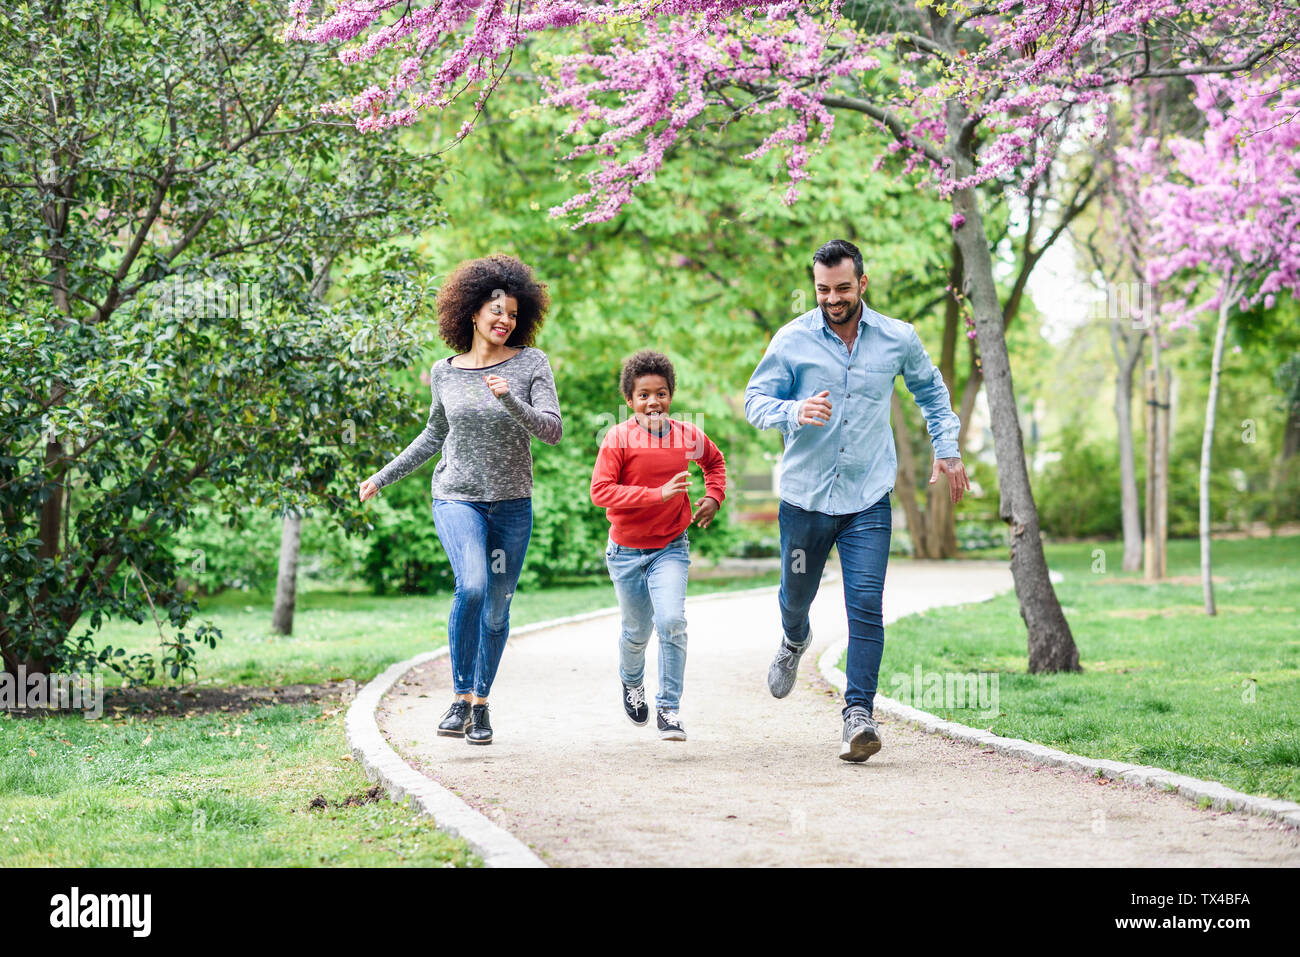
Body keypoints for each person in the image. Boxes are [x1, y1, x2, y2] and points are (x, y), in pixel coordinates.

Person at [744, 239, 968, 762]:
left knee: (866, 606)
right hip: (805, 497)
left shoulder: (898, 338)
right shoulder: (793, 339)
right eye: (823, 290)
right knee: (795, 596)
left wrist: (948, 450)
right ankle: (794, 640)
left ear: (862, 283)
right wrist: (794, 411)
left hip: (868, 496)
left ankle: (857, 716)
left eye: (843, 288)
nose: (833, 299)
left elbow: (932, 393)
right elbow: (756, 401)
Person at [358, 254, 562, 746]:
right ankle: (458, 697)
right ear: (472, 312)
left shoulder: (531, 363)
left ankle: (481, 706)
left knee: (496, 608)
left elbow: (552, 431)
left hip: (511, 502)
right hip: (457, 497)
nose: (504, 320)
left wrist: (509, 398)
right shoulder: (444, 372)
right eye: (495, 310)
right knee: (471, 587)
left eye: (513, 314)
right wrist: (382, 478)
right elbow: (433, 435)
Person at [590, 350, 727, 741]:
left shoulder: (687, 436)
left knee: (671, 622)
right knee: (637, 631)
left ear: (671, 395)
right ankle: (631, 682)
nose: (654, 402)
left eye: (662, 393)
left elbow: (714, 463)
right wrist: (657, 494)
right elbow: (600, 492)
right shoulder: (618, 438)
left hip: (670, 546)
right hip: (626, 552)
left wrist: (714, 497)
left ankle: (669, 708)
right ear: (630, 401)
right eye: (644, 395)